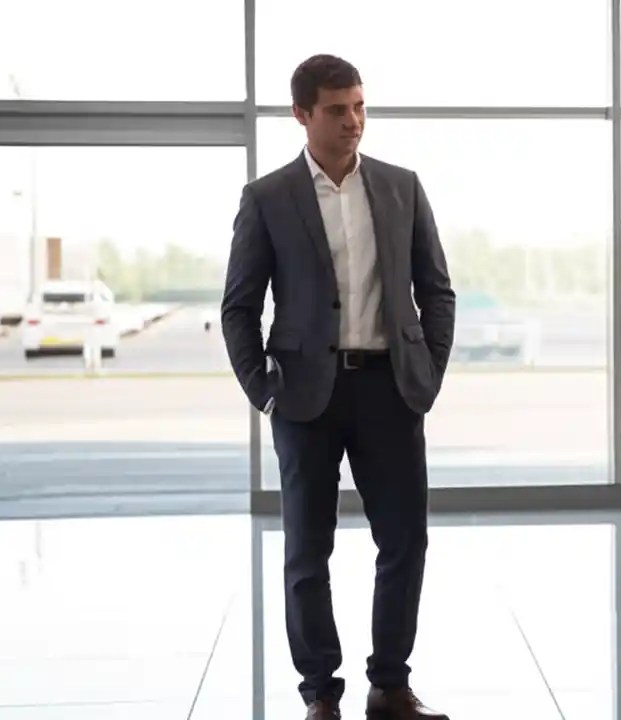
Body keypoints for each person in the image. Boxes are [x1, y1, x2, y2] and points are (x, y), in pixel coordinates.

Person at [221, 54, 455, 720]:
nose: (352, 121)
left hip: (391, 388)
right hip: (303, 398)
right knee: (307, 551)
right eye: (336, 109)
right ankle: (320, 693)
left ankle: (390, 684)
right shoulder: (268, 198)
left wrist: (428, 370)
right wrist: (263, 390)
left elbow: (435, 289)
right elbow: (239, 305)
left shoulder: (401, 187)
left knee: (405, 539)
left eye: (358, 106)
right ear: (302, 114)